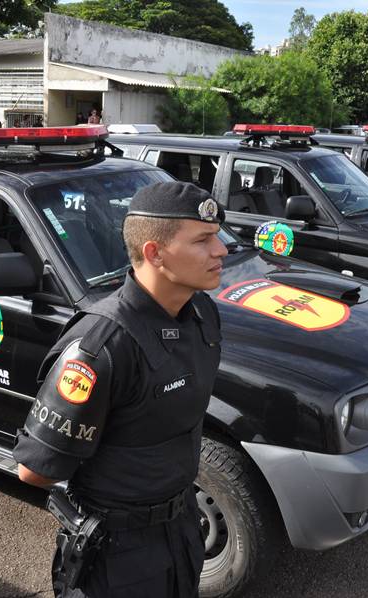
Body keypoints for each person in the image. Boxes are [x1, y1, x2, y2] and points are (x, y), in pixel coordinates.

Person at [13, 181, 228, 597]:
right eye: (203, 239)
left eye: (217, 236)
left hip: (182, 528)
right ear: (155, 252)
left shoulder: (202, 313)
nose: (220, 250)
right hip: (118, 553)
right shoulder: (102, 345)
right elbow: (35, 469)